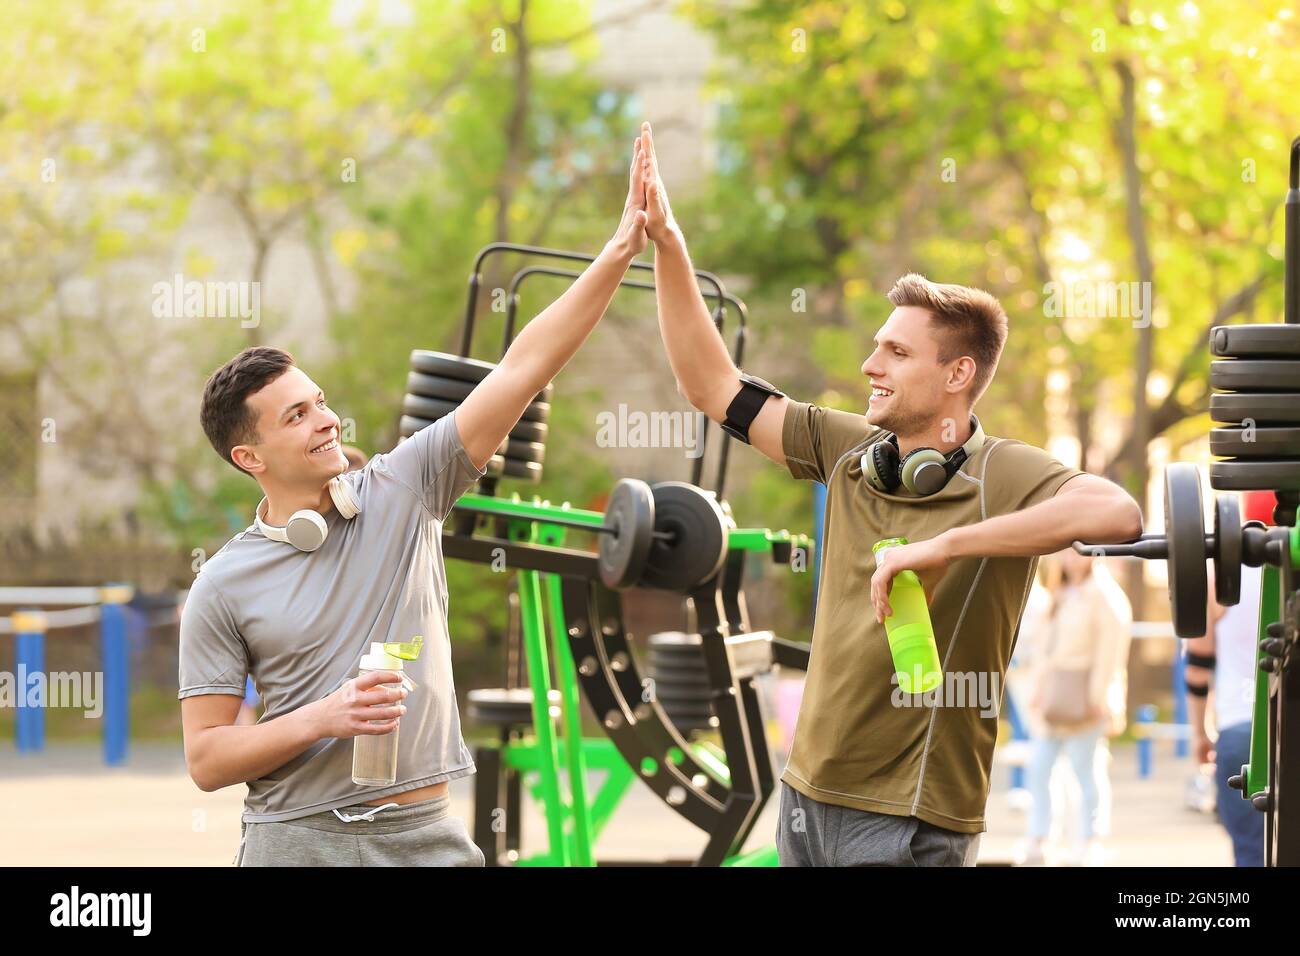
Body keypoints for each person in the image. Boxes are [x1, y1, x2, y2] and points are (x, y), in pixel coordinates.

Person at [633, 121, 1143, 866]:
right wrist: (669, 247)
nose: (871, 363)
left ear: (957, 375)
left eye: (896, 352)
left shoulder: (1000, 471)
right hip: (806, 795)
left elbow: (1117, 512)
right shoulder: (850, 450)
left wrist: (948, 545)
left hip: (907, 815)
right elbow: (710, 385)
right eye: (877, 345)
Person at [178, 136, 651, 866]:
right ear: (250, 457)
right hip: (294, 842)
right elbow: (208, 759)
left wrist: (621, 249)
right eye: (296, 416)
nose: (326, 419)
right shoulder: (221, 583)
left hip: (425, 837)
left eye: (320, 402)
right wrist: (323, 718)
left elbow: (523, 365)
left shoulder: (405, 488)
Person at [1016, 547, 1132, 866]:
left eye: (1077, 552)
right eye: (1066, 553)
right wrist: (1038, 689)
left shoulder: (1104, 595)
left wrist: (1099, 697)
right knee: (1040, 769)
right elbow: (1044, 648)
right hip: (1053, 698)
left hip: (1086, 697)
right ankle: (1040, 837)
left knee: (1088, 771)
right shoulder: (1059, 594)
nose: (1070, 559)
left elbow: (1111, 652)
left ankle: (1090, 839)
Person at [1184, 490, 1273, 867]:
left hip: (1241, 731)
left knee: (1252, 852)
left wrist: (1200, 733)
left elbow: (1198, 664)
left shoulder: (1221, 576)